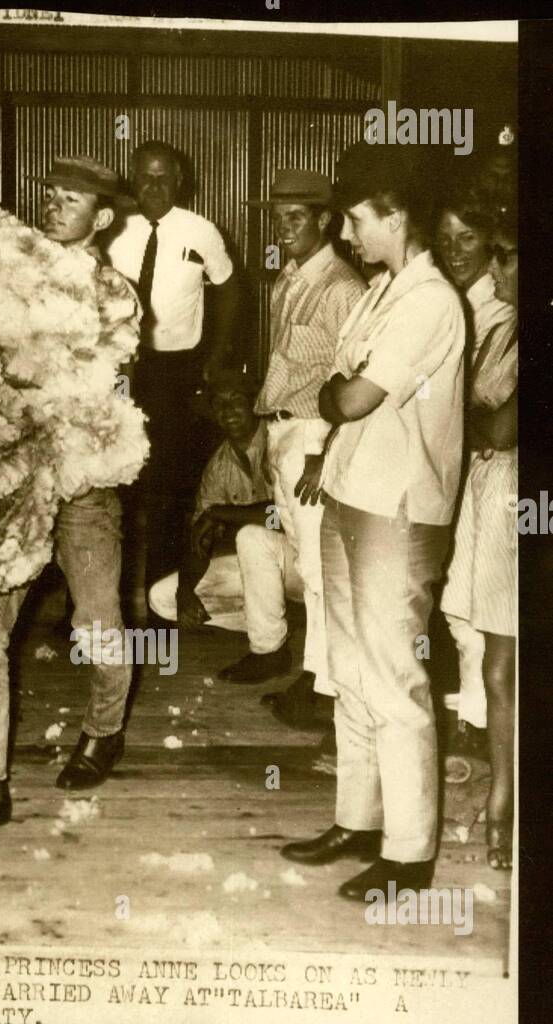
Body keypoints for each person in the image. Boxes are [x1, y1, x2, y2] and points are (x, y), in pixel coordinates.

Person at [0, 156, 140, 840]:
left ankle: (103, 732)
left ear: (101, 217)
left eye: (70, 198)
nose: (53, 205)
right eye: (49, 194)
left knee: (96, 623)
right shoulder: (4, 280)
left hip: (82, 482)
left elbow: (85, 382)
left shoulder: (114, 294)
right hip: (10, 481)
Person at [281, 143, 466, 900]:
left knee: (393, 680)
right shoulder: (376, 290)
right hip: (349, 492)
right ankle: (357, 820)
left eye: (357, 219)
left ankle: (409, 850)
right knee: (348, 671)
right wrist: (334, 400)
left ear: (396, 214)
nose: (347, 235)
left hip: (398, 508)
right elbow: (341, 387)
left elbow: (350, 397)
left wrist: (333, 395)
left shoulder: (428, 301)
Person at [245, 169, 366, 713]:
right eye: (277, 219)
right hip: (284, 433)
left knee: (321, 569)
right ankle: (313, 674)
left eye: (296, 218)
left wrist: (328, 450)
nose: (283, 229)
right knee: (303, 558)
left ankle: (326, 688)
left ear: (325, 220)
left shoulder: (344, 288)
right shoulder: (289, 279)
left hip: (315, 438)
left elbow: (360, 378)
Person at [105, 141, 239, 598]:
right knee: (111, 487)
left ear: (181, 182)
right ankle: (102, 603)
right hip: (116, 373)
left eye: (164, 177)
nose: (155, 186)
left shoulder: (202, 232)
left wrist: (216, 354)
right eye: (145, 176)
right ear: (132, 180)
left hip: (174, 372)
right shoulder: (113, 231)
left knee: (166, 489)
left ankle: (161, 601)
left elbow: (228, 290)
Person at [440, 209, 517, 870]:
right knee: (488, 650)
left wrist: (471, 415)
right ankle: (497, 799)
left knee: (503, 659)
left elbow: (497, 428)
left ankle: (504, 810)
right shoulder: (499, 322)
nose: (495, 269)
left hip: (515, 493)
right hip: (488, 487)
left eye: (503, 256)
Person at [148, 369, 300, 677]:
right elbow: (200, 537)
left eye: (237, 401)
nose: (227, 411)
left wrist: (222, 513)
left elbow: (286, 518)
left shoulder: (282, 440)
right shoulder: (218, 466)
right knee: (162, 599)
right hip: (266, 571)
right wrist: (185, 591)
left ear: (256, 404)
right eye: (218, 404)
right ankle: (283, 621)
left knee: (251, 537)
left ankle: (270, 651)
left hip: (307, 563)